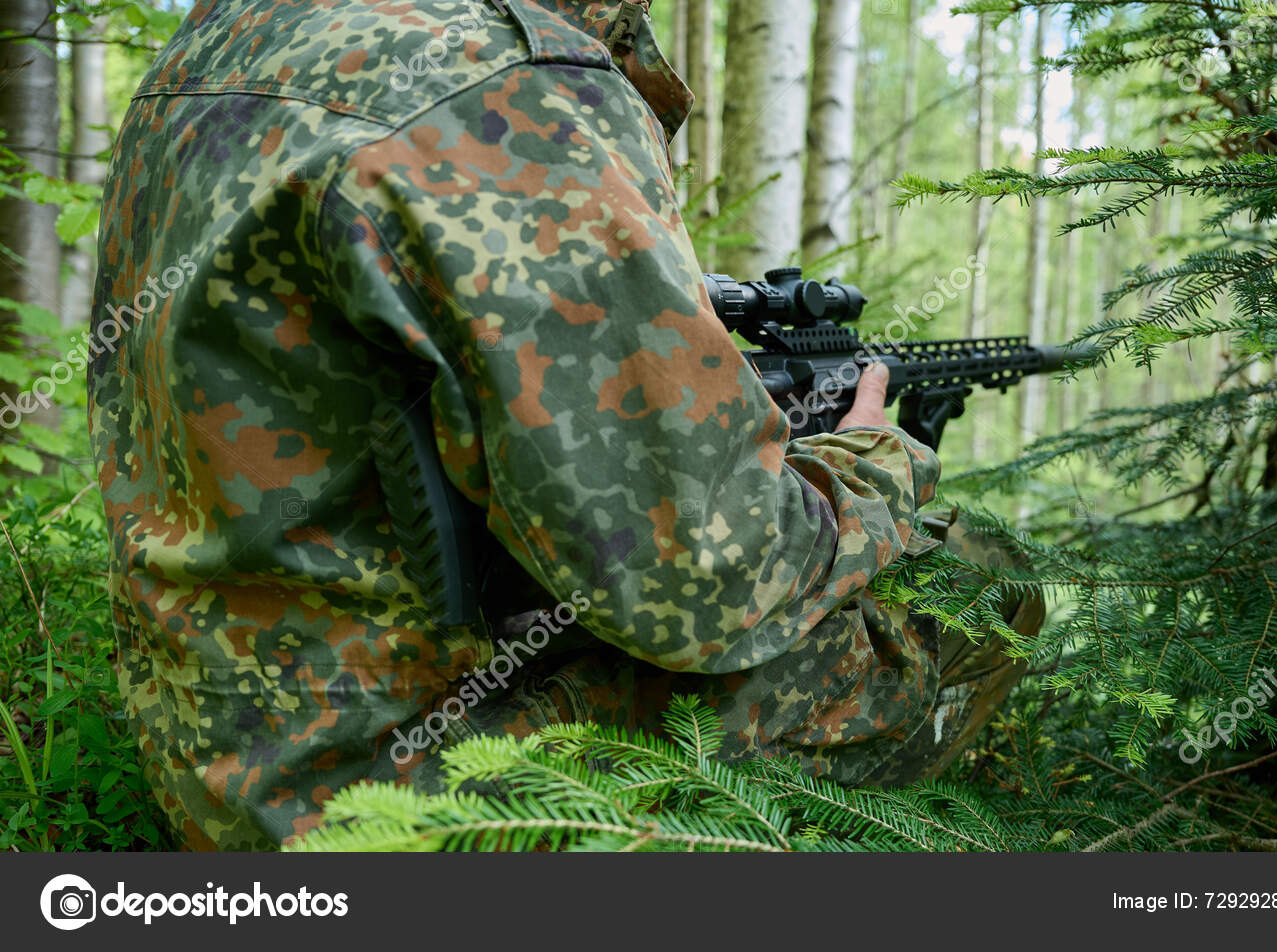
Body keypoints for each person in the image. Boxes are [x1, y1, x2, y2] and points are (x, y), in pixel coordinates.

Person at [89, 0, 1040, 850]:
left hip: (213, 756)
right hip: (410, 803)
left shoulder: (213, 42)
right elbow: (713, 587)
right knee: (980, 578)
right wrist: (869, 461)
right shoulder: (513, 83)